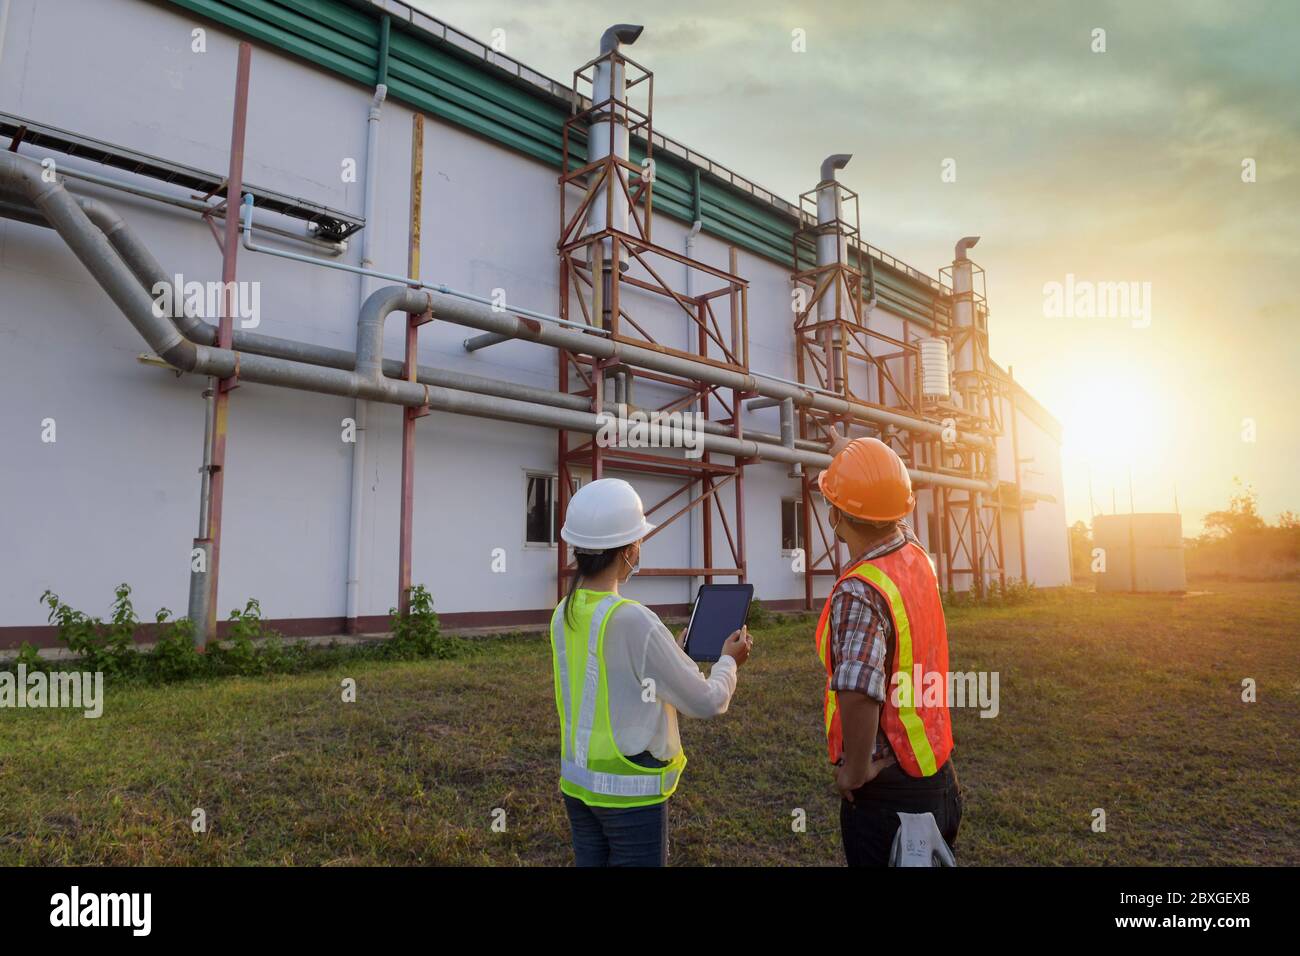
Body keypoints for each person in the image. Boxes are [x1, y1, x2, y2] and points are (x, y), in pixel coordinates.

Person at [550, 477, 753, 867]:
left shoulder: (564, 613)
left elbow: (612, 675)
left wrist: (669, 653)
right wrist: (729, 662)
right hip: (630, 793)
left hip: (579, 788)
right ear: (628, 550)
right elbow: (707, 702)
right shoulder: (635, 620)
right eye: (638, 541)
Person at [813, 432, 962, 866]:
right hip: (938, 776)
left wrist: (855, 768)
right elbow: (884, 501)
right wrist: (851, 455)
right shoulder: (915, 555)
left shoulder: (859, 590)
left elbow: (859, 691)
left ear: (835, 515)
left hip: (888, 796)